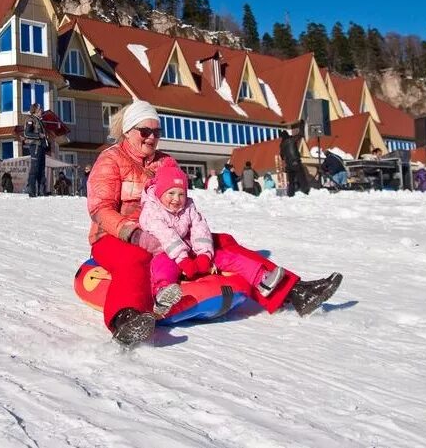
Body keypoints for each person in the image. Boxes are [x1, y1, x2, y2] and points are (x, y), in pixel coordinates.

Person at [86, 100, 343, 346]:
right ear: (129, 131)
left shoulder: (166, 163)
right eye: (145, 131)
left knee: (222, 242)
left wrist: (197, 233)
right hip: (115, 236)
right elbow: (100, 209)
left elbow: (183, 204)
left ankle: (294, 292)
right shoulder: (111, 160)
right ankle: (125, 320)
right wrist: (134, 234)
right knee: (135, 259)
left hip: (168, 231)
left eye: (156, 131)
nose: (151, 137)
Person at [137, 160, 287, 316]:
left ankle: (261, 279)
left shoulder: (188, 206)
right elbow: (165, 235)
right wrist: (182, 260)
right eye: (171, 193)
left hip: (189, 249)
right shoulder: (152, 211)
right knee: (163, 264)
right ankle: (163, 294)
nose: (176, 199)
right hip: (163, 250)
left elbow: (199, 228)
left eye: (181, 194)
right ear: (160, 193)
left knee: (227, 256)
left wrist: (204, 255)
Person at [23, 103, 49, 197]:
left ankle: (42, 191)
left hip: (42, 147)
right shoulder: (30, 119)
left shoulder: (40, 121)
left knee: (42, 169)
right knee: (35, 169)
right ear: (35, 110)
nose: (41, 110)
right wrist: (39, 135)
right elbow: (26, 133)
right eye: (40, 109)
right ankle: (31, 190)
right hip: (35, 147)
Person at [279, 127, 310, 197]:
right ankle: (306, 191)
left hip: (289, 165)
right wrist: (301, 124)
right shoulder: (291, 139)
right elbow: (300, 135)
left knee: (291, 181)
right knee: (301, 177)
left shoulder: (282, 145)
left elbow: (281, 156)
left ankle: (290, 194)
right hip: (296, 162)